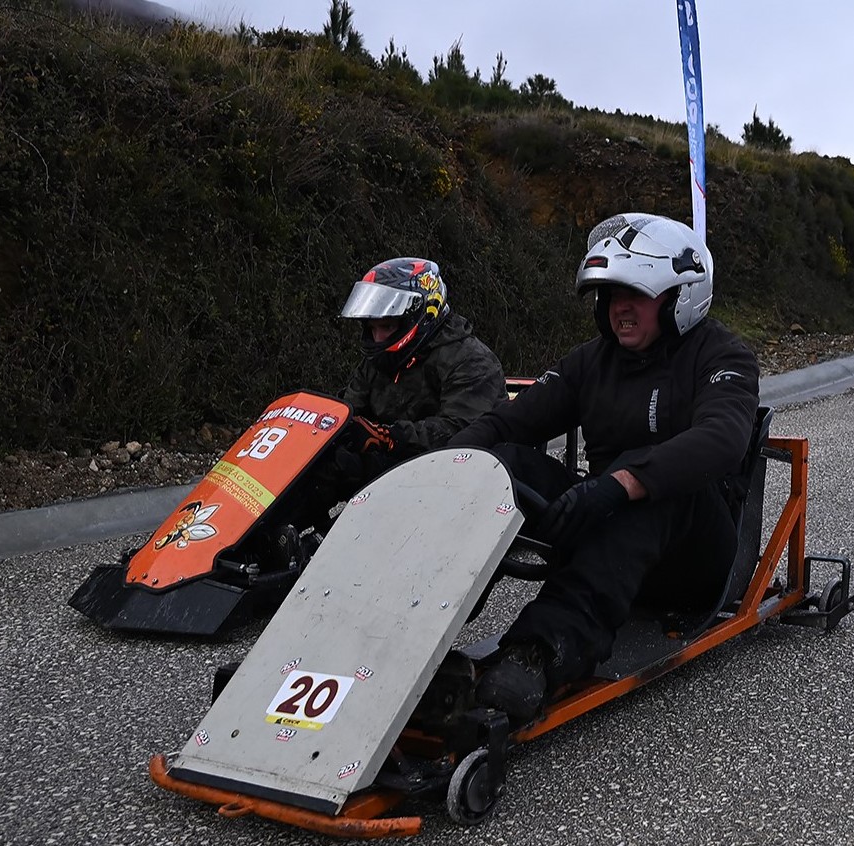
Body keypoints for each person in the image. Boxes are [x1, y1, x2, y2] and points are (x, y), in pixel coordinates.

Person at [446, 213, 760, 721]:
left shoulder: (723, 356)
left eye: (635, 295)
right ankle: (407, 634)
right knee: (498, 462)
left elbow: (722, 438)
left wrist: (621, 485)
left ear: (679, 298)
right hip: (607, 530)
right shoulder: (591, 361)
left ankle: (539, 653)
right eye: (611, 296)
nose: (620, 310)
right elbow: (508, 423)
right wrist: (444, 469)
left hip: (694, 557)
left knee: (654, 478)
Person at [287, 257, 508, 540]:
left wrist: (387, 436)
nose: (378, 337)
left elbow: (462, 434)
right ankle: (253, 542)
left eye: (388, 327)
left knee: (341, 468)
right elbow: (348, 410)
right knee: (317, 462)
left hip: (452, 474)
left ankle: (316, 548)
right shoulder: (379, 362)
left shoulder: (471, 361)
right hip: (400, 464)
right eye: (372, 327)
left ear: (422, 315)